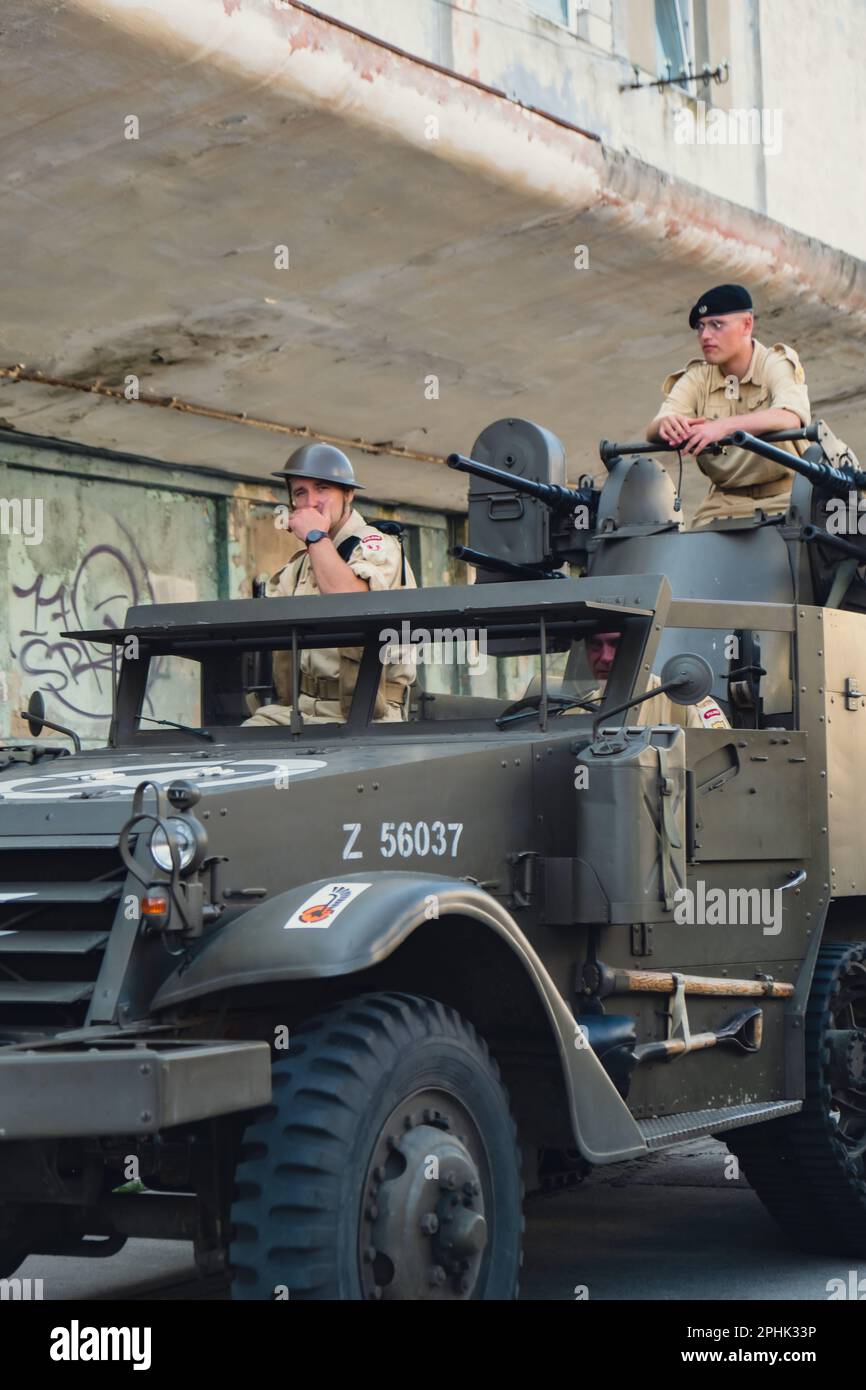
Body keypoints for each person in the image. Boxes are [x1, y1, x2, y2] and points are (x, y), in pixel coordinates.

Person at [244, 443, 416, 726]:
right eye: (301, 492)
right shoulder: (300, 564)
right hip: (299, 710)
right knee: (232, 754)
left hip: (366, 713)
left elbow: (351, 604)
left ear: (348, 494)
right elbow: (264, 627)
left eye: (322, 488)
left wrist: (314, 536)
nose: (311, 501)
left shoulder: (378, 546)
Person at [646, 284, 811, 527]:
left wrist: (722, 428)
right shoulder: (697, 377)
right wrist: (666, 425)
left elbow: (790, 417)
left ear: (747, 325)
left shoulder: (774, 363)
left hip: (789, 496)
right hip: (725, 502)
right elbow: (654, 427)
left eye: (716, 325)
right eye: (700, 327)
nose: (705, 336)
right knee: (688, 556)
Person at [583, 630, 730, 729]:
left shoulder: (688, 704)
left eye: (616, 644)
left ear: (639, 647)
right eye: (595, 645)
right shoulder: (576, 709)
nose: (605, 657)